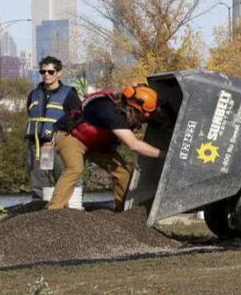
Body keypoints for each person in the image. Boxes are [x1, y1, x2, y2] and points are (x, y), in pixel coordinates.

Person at [48, 84, 163, 212]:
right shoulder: (109, 111)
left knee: (124, 173)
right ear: (134, 109)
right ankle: (53, 211)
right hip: (72, 136)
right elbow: (134, 145)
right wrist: (164, 155)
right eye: (145, 115)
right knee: (75, 168)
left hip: (97, 143)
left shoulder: (126, 108)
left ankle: (123, 212)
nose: (145, 119)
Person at [25, 56, 82, 197]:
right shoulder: (34, 94)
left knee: (65, 178)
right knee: (38, 181)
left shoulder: (70, 94)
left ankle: (70, 206)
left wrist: (56, 133)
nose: (46, 74)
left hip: (60, 144)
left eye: (50, 71)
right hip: (37, 145)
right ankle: (40, 205)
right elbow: (31, 114)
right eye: (43, 71)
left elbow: (77, 117)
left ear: (59, 73)